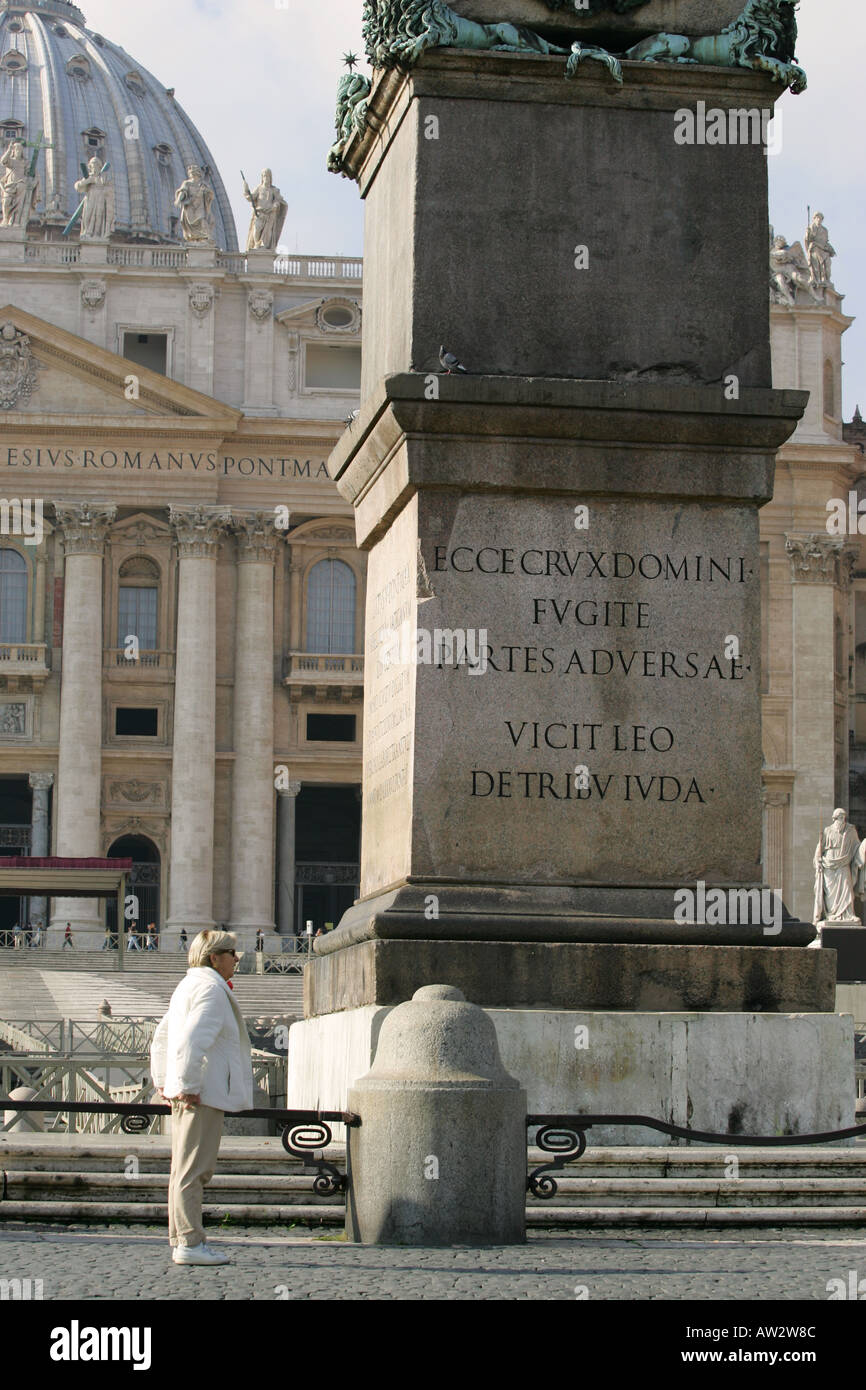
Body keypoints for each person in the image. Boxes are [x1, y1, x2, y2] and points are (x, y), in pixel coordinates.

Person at [150, 929, 252, 1266]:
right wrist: (188, 1086)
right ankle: (191, 1244)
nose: (237, 959)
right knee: (195, 1170)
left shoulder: (188, 985)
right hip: (201, 1094)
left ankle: (181, 1239)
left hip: (188, 1090)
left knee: (182, 1169)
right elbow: (193, 1041)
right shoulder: (210, 989)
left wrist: (165, 1082)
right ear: (214, 958)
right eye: (231, 953)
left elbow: (161, 1037)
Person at [813, 809, 866, 925]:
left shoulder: (851, 830)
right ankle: (832, 915)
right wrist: (818, 860)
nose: (842, 820)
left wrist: (863, 847)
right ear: (834, 819)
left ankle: (848, 914)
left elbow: (857, 847)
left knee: (847, 888)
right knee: (830, 894)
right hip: (829, 865)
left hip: (844, 864)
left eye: (843, 817)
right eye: (840, 817)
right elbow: (819, 848)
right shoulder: (827, 831)